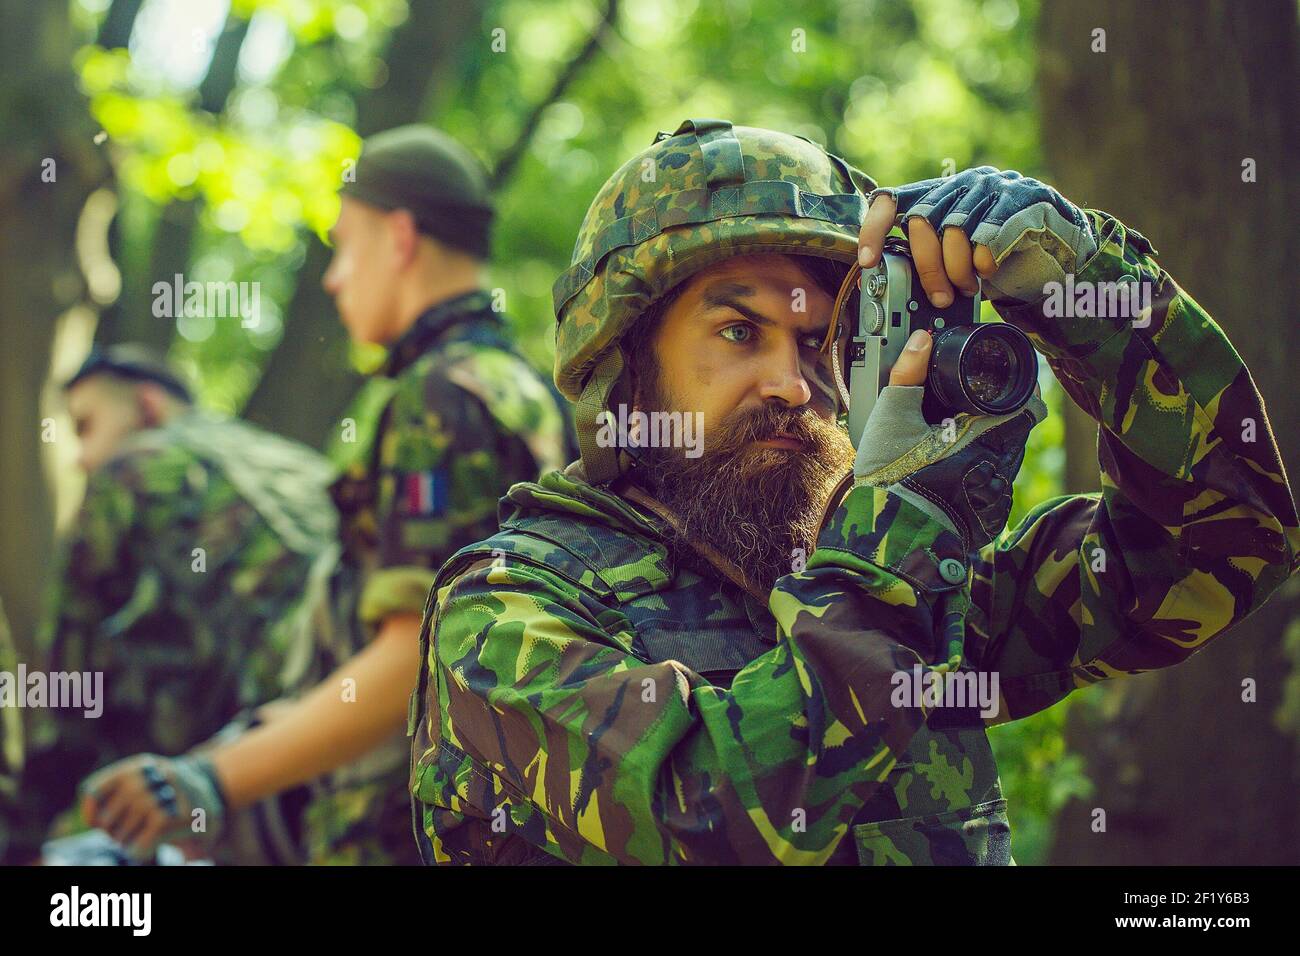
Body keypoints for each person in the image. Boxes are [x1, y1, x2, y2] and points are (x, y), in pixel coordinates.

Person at [407, 119, 1300, 865]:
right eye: (736, 329)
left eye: (816, 341)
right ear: (624, 369)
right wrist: (898, 547)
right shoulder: (501, 616)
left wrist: (1085, 290)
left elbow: (1224, 542)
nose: (793, 386)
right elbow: (712, 813)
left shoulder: (905, 585)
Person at [81, 125, 572, 864]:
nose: (334, 278)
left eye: (345, 247)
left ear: (399, 238)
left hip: (395, 829)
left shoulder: (438, 398)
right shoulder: (526, 389)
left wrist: (207, 779)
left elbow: (417, 656)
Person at [0, 346, 335, 865]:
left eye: (86, 426)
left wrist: (24, 831)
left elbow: (68, 682)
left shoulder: (134, 465)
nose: (80, 458)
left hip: (268, 752)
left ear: (148, 407)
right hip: (359, 720)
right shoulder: (290, 460)